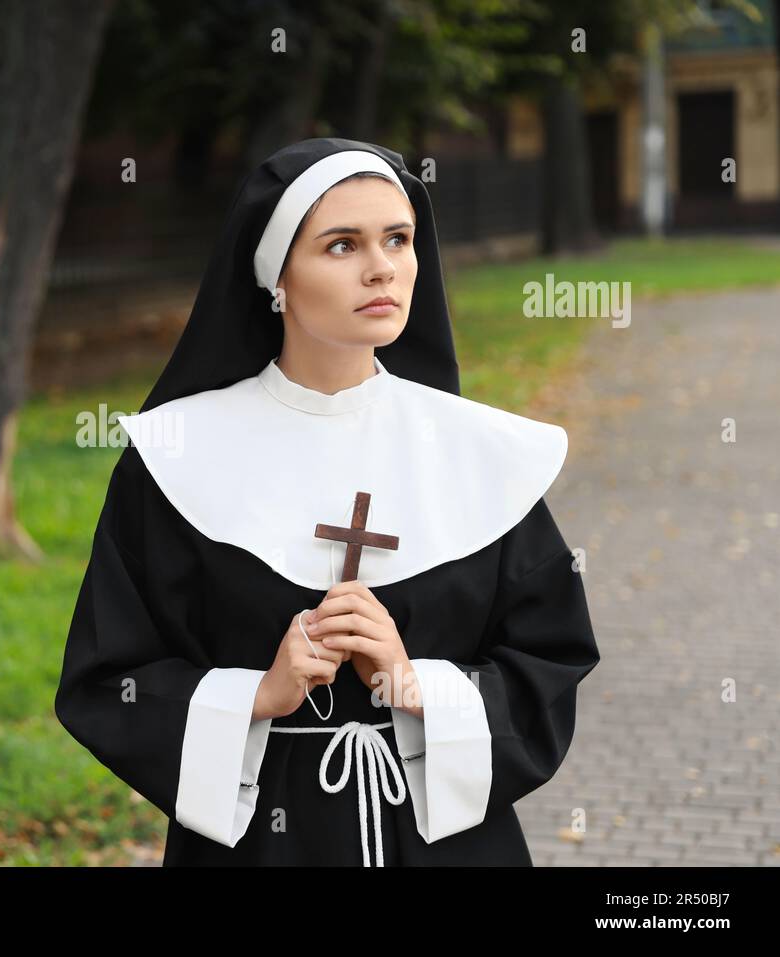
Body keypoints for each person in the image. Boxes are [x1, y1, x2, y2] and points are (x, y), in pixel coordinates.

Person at [53, 137, 601, 866]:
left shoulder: (479, 454)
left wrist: (418, 683)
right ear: (276, 277)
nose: (382, 267)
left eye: (398, 239)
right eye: (342, 244)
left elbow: (550, 662)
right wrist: (258, 695)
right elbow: (106, 679)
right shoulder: (177, 456)